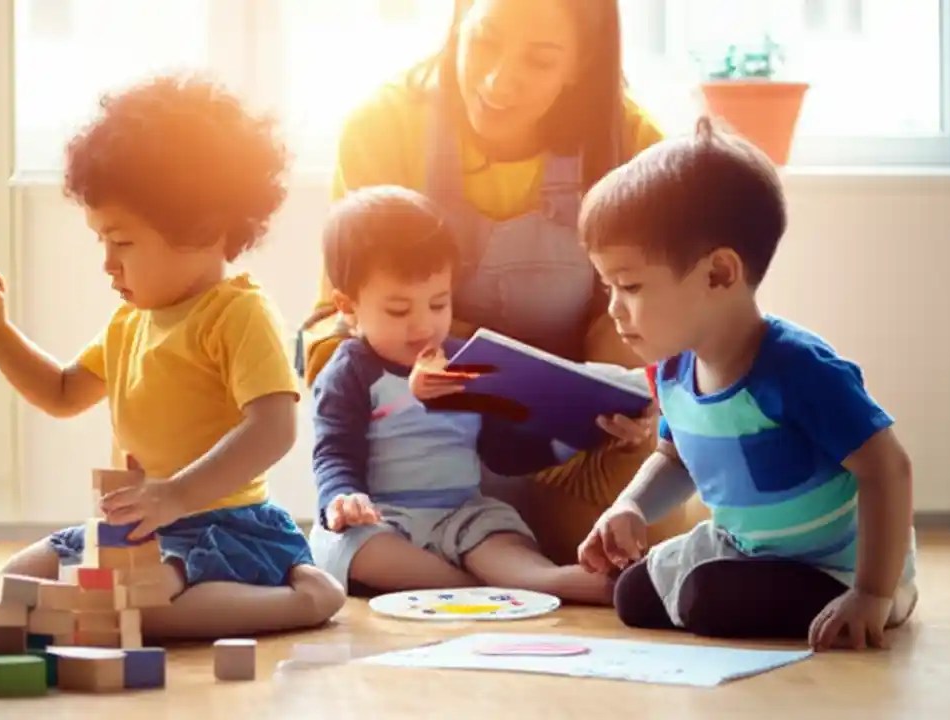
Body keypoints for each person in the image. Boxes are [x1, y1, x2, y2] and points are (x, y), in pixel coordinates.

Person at [299, 0, 706, 566]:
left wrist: (630, 404)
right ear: (457, 21)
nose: (498, 81)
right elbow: (334, 321)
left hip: (556, 447)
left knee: (641, 533)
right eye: (485, 41)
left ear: (581, 61)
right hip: (414, 436)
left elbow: (647, 323)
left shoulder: (629, 144)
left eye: (539, 61)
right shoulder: (386, 126)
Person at [0, 73, 345, 639]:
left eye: (123, 242)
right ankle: (181, 593)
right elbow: (63, 393)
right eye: (102, 242)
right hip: (142, 525)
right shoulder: (130, 320)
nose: (108, 264)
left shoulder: (237, 313)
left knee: (134, 612)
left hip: (221, 523)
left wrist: (177, 495)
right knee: (14, 584)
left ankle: (304, 599)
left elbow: (274, 430)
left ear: (205, 227)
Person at [575, 117, 918, 651]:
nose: (615, 309)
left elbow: (888, 468)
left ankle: (890, 594)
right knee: (633, 595)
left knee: (710, 600)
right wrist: (631, 507)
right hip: (747, 550)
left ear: (718, 274)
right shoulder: (672, 368)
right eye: (608, 288)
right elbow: (675, 457)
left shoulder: (797, 368)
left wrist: (874, 593)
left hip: (836, 566)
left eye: (630, 286)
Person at [309, 185, 613, 604]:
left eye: (438, 304)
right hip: (384, 516)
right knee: (354, 549)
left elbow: (504, 454)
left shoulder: (465, 362)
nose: (422, 326)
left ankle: (552, 581)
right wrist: (343, 497)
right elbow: (333, 451)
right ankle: (475, 588)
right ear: (347, 306)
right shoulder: (350, 371)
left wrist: (577, 434)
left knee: (502, 539)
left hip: (464, 513)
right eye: (399, 311)